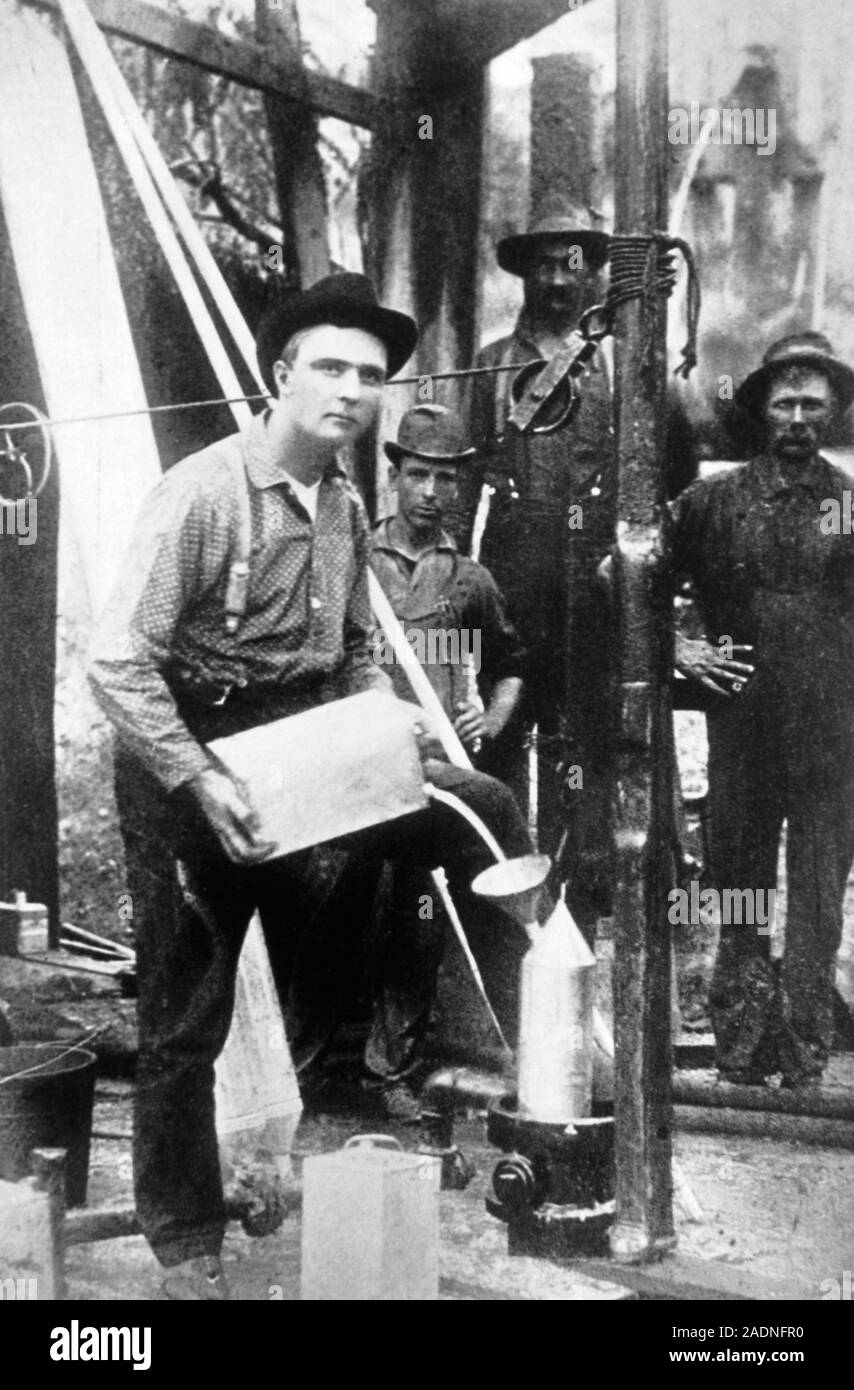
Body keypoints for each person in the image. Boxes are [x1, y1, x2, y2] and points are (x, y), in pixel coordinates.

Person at [88, 273, 530, 1299]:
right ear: (277, 375)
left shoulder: (340, 504)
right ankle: (187, 1246)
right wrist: (198, 780)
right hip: (183, 764)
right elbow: (118, 664)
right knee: (184, 1021)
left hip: (299, 753)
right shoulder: (202, 492)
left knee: (478, 812)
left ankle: (512, 1067)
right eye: (327, 366)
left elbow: (354, 649)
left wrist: (388, 714)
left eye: (368, 375)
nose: (348, 389)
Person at [669, 330, 854, 1086]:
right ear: (761, 412)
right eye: (786, 404)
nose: (800, 418)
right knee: (740, 883)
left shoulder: (846, 506)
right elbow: (632, 576)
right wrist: (679, 650)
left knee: (817, 897)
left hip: (832, 734)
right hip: (742, 730)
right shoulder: (713, 503)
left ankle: (807, 1057)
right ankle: (741, 1051)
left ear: (834, 411)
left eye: (815, 404)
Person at [364, 404, 527, 1113]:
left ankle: (390, 1072)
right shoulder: (352, 560)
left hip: (437, 773)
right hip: (360, 767)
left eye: (445, 479)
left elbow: (513, 664)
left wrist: (486, 717)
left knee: (420, 913)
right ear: (394, 476)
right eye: (419, 475)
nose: (431, 492)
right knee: (348, 911)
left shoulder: (469, 580)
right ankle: (320, 1069)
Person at [463, 203, 617, 936]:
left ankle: (580, 912)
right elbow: (462, 488)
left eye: (572, 262)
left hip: (596, 592)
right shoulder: (492, 365)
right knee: (496, 739)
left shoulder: (621, 363)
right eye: (544, 264)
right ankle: (499, 910)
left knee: (585, 744)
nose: (558, 278)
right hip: (511, 590)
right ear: (524, 274)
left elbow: (669, 467)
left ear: (593, 271)